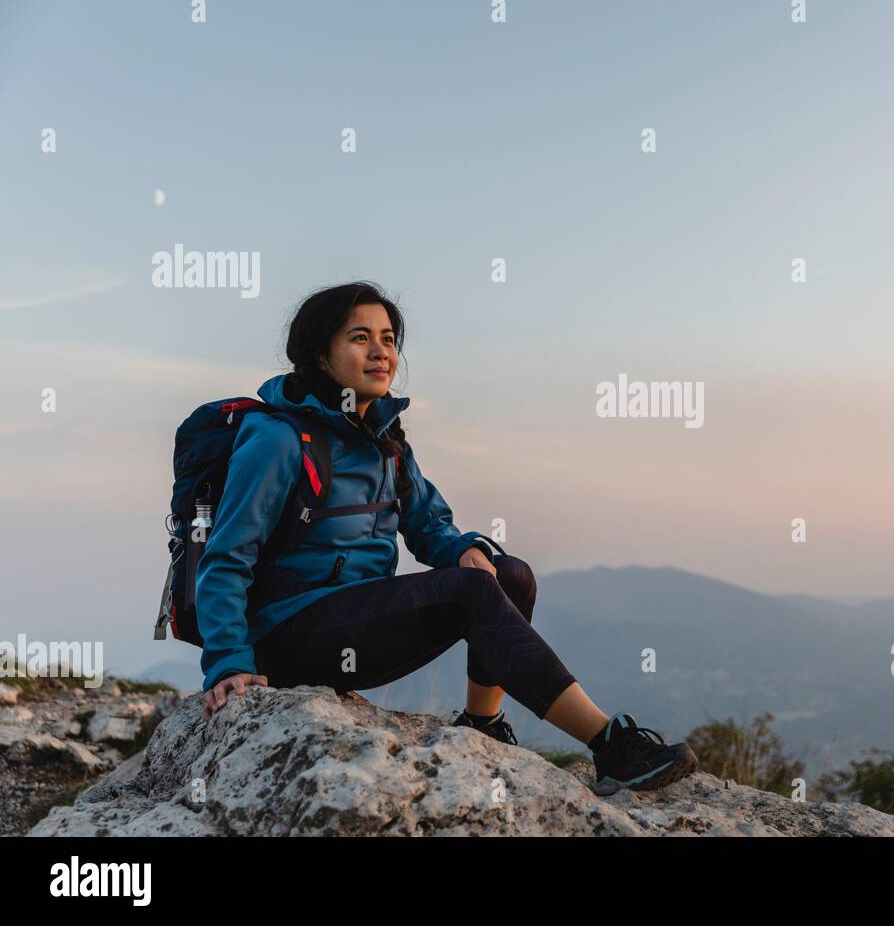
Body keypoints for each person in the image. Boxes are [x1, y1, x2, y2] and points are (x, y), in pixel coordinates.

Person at [195, 281, 697, 795]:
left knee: (507, 576)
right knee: (474, 592)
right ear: (319, 354)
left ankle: (482, 725)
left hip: (354, 621)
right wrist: (229, 663)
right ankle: (608, 745)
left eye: (389, 339)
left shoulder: (387, 440)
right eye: (359, 338)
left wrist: (462, 548)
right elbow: (228, 557)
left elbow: (429, 524)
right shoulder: (277, 438)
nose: (380, 352)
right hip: (288, 635)